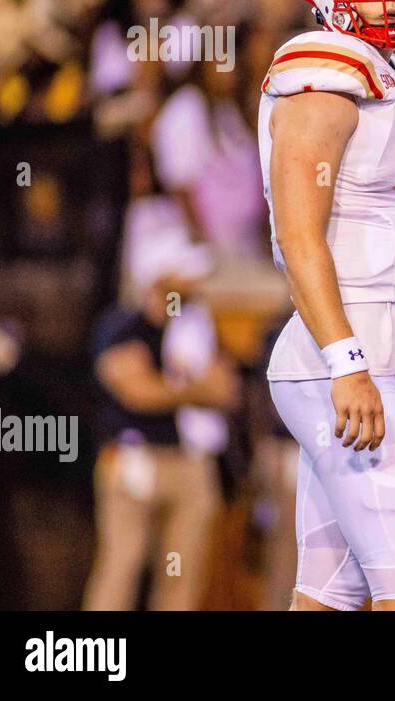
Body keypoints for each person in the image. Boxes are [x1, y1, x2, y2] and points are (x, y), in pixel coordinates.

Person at [258, 0, 395, 611]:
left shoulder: (384, 71)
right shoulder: (326, 68)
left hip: (366, 348)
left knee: (332, 588)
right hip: (336, 352)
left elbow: (381, 258)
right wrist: (348, 364)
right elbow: (298, 235)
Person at [83, 237, 238, 610]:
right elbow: (138, 392)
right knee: (122, 564)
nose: (194, 285)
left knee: (180, 573)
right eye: (184, 276)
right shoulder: (122, 325)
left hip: (189, 461)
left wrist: (173, 386)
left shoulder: (197, 325)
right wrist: (191, 388)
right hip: (136, 460)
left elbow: (226, 390)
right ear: (159, 278)